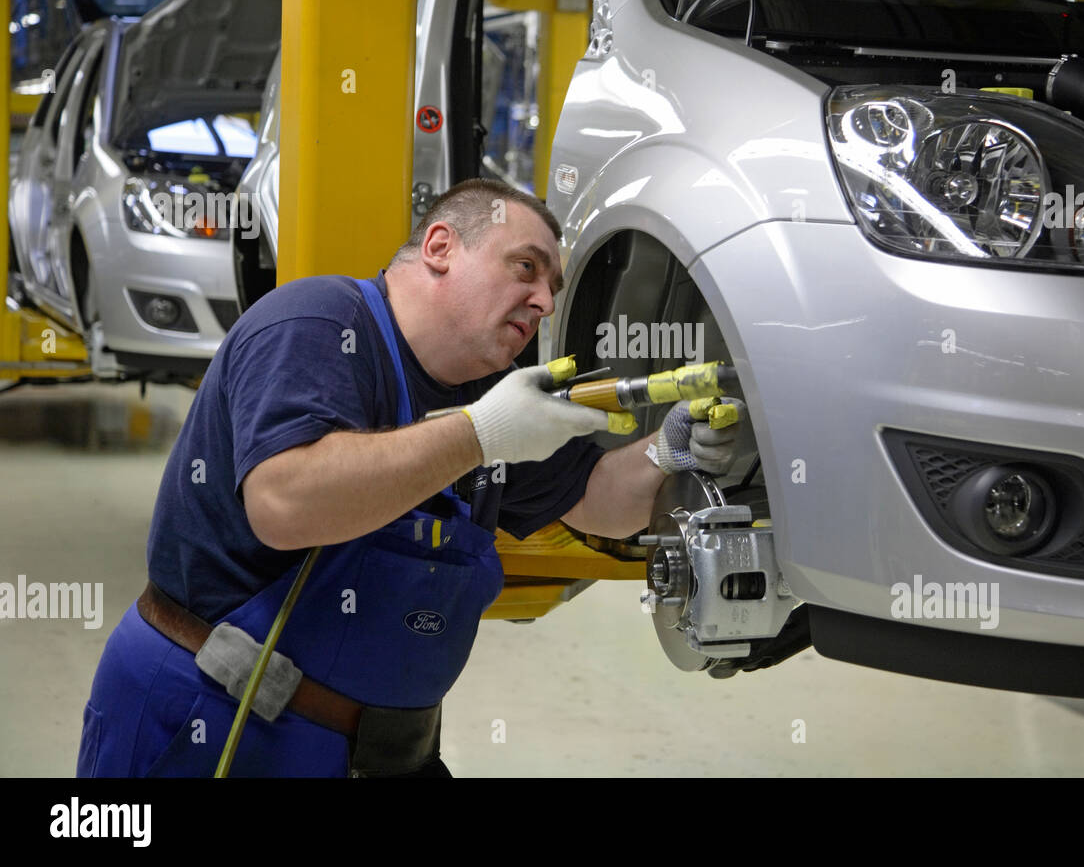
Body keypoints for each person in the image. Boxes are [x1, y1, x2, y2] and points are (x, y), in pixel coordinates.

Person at [76, 178, 742, 777]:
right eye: (525, 267)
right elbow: (285, 502)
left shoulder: (490, 391)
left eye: (551, 288)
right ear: (441, 246)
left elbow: (597, 500)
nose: (542, 300)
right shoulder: (319, 325)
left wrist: (666, 453)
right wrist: (480, 435)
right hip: (212, 724)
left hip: (379, 754)